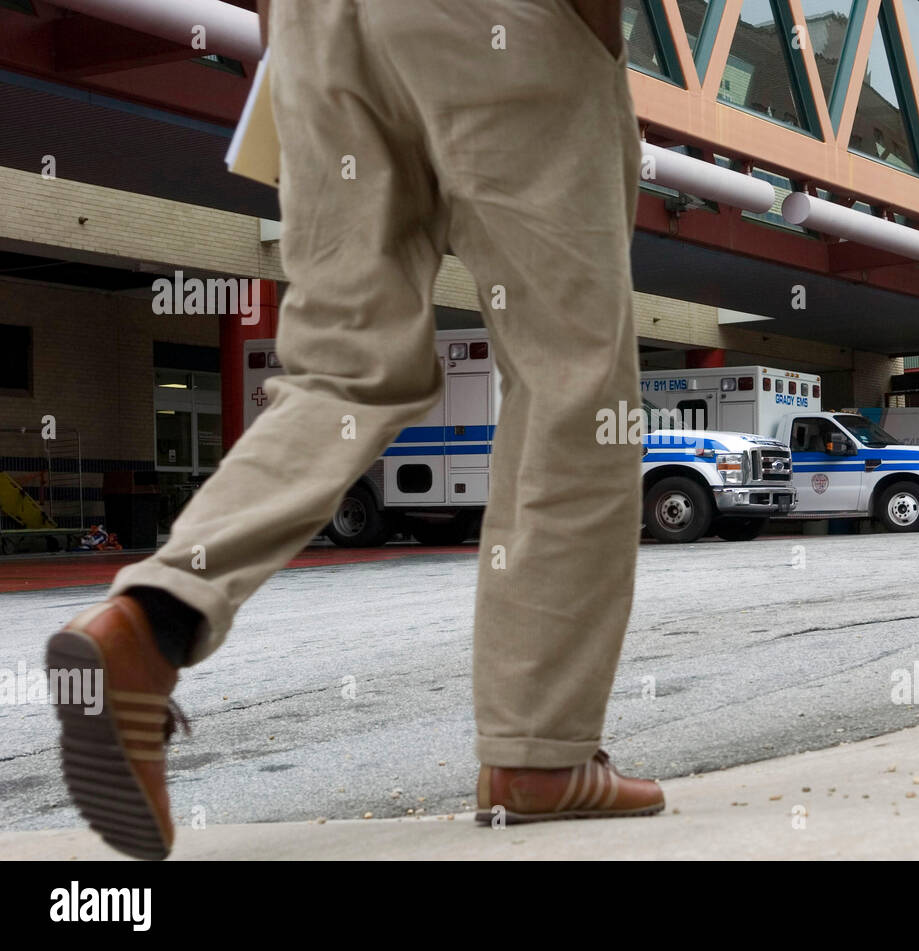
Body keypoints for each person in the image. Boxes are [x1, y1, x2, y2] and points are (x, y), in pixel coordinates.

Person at [45, 0, 663, 861]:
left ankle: (150, 619)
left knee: (342, 369)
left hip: (316, 26)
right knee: (575, 387)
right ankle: (540, 756)